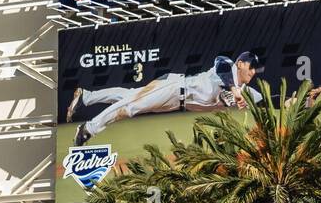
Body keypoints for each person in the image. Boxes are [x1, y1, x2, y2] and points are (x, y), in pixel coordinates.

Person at [68, 52, 262, 144]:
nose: (252, 71)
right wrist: (233, 89)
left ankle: (87, 97)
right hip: (173, 88)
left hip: (175, 103)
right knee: (129, 106)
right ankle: (88, 129)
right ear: (240, 64)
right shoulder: (227, 67)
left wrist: (290, 101)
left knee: (129, 96)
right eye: (250, 66)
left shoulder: (245, 91)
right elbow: (220, 62)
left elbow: (266, 99)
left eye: (255, 68)